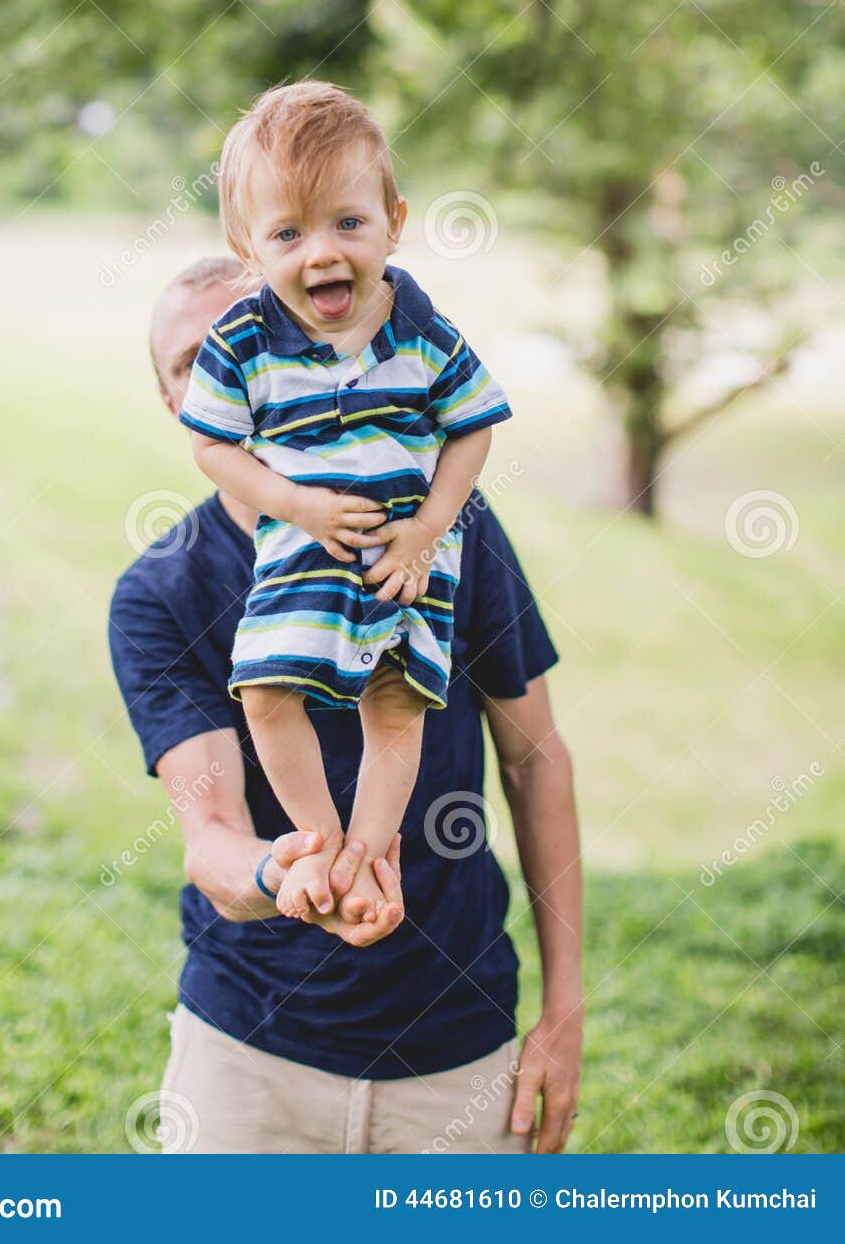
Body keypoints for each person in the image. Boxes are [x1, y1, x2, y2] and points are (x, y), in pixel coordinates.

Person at [107, 256, 585, 1155]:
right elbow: (207, 831)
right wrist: (287, 877)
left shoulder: (445, 529)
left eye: (245, 334)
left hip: (456, 1042)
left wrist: (564, 1009)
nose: (228, 366)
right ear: (180, 405)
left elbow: (534, 757)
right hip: (248, 1053)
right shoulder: (160, 593)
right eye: (190, 362)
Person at [178, 82, 512, 928]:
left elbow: (472, 430)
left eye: (346, 224)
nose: (321, 253)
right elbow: (211, 446)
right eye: (288, 233)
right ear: (245, 246)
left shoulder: (426, 332)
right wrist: (295, 503)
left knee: (396, 703)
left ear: (393, 222)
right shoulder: (242, 342)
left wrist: (429, 531)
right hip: (304, 555)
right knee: (262, 691)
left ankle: (368, 851)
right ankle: (322, 840)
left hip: (406, 554)